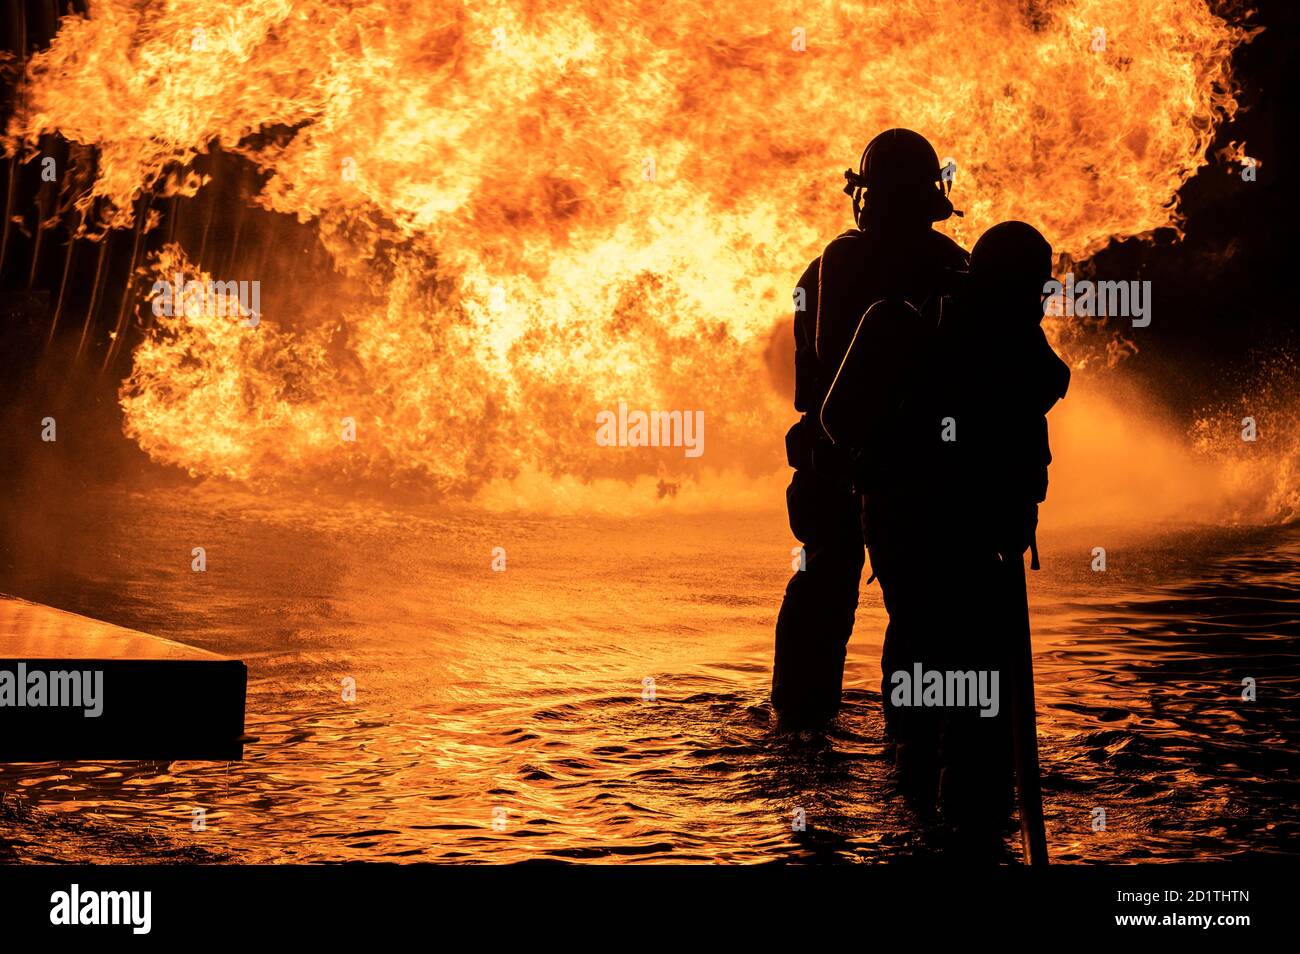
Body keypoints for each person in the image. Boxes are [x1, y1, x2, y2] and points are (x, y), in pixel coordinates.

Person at [771, 129, 968, 730]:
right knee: (919, 613)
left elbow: (813, 380)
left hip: (840, 467)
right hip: (907, 476)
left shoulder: (825, 269)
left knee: (823, 594)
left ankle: (802, 739)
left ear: (867, 195)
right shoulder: (952, 267)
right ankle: (911, 752)